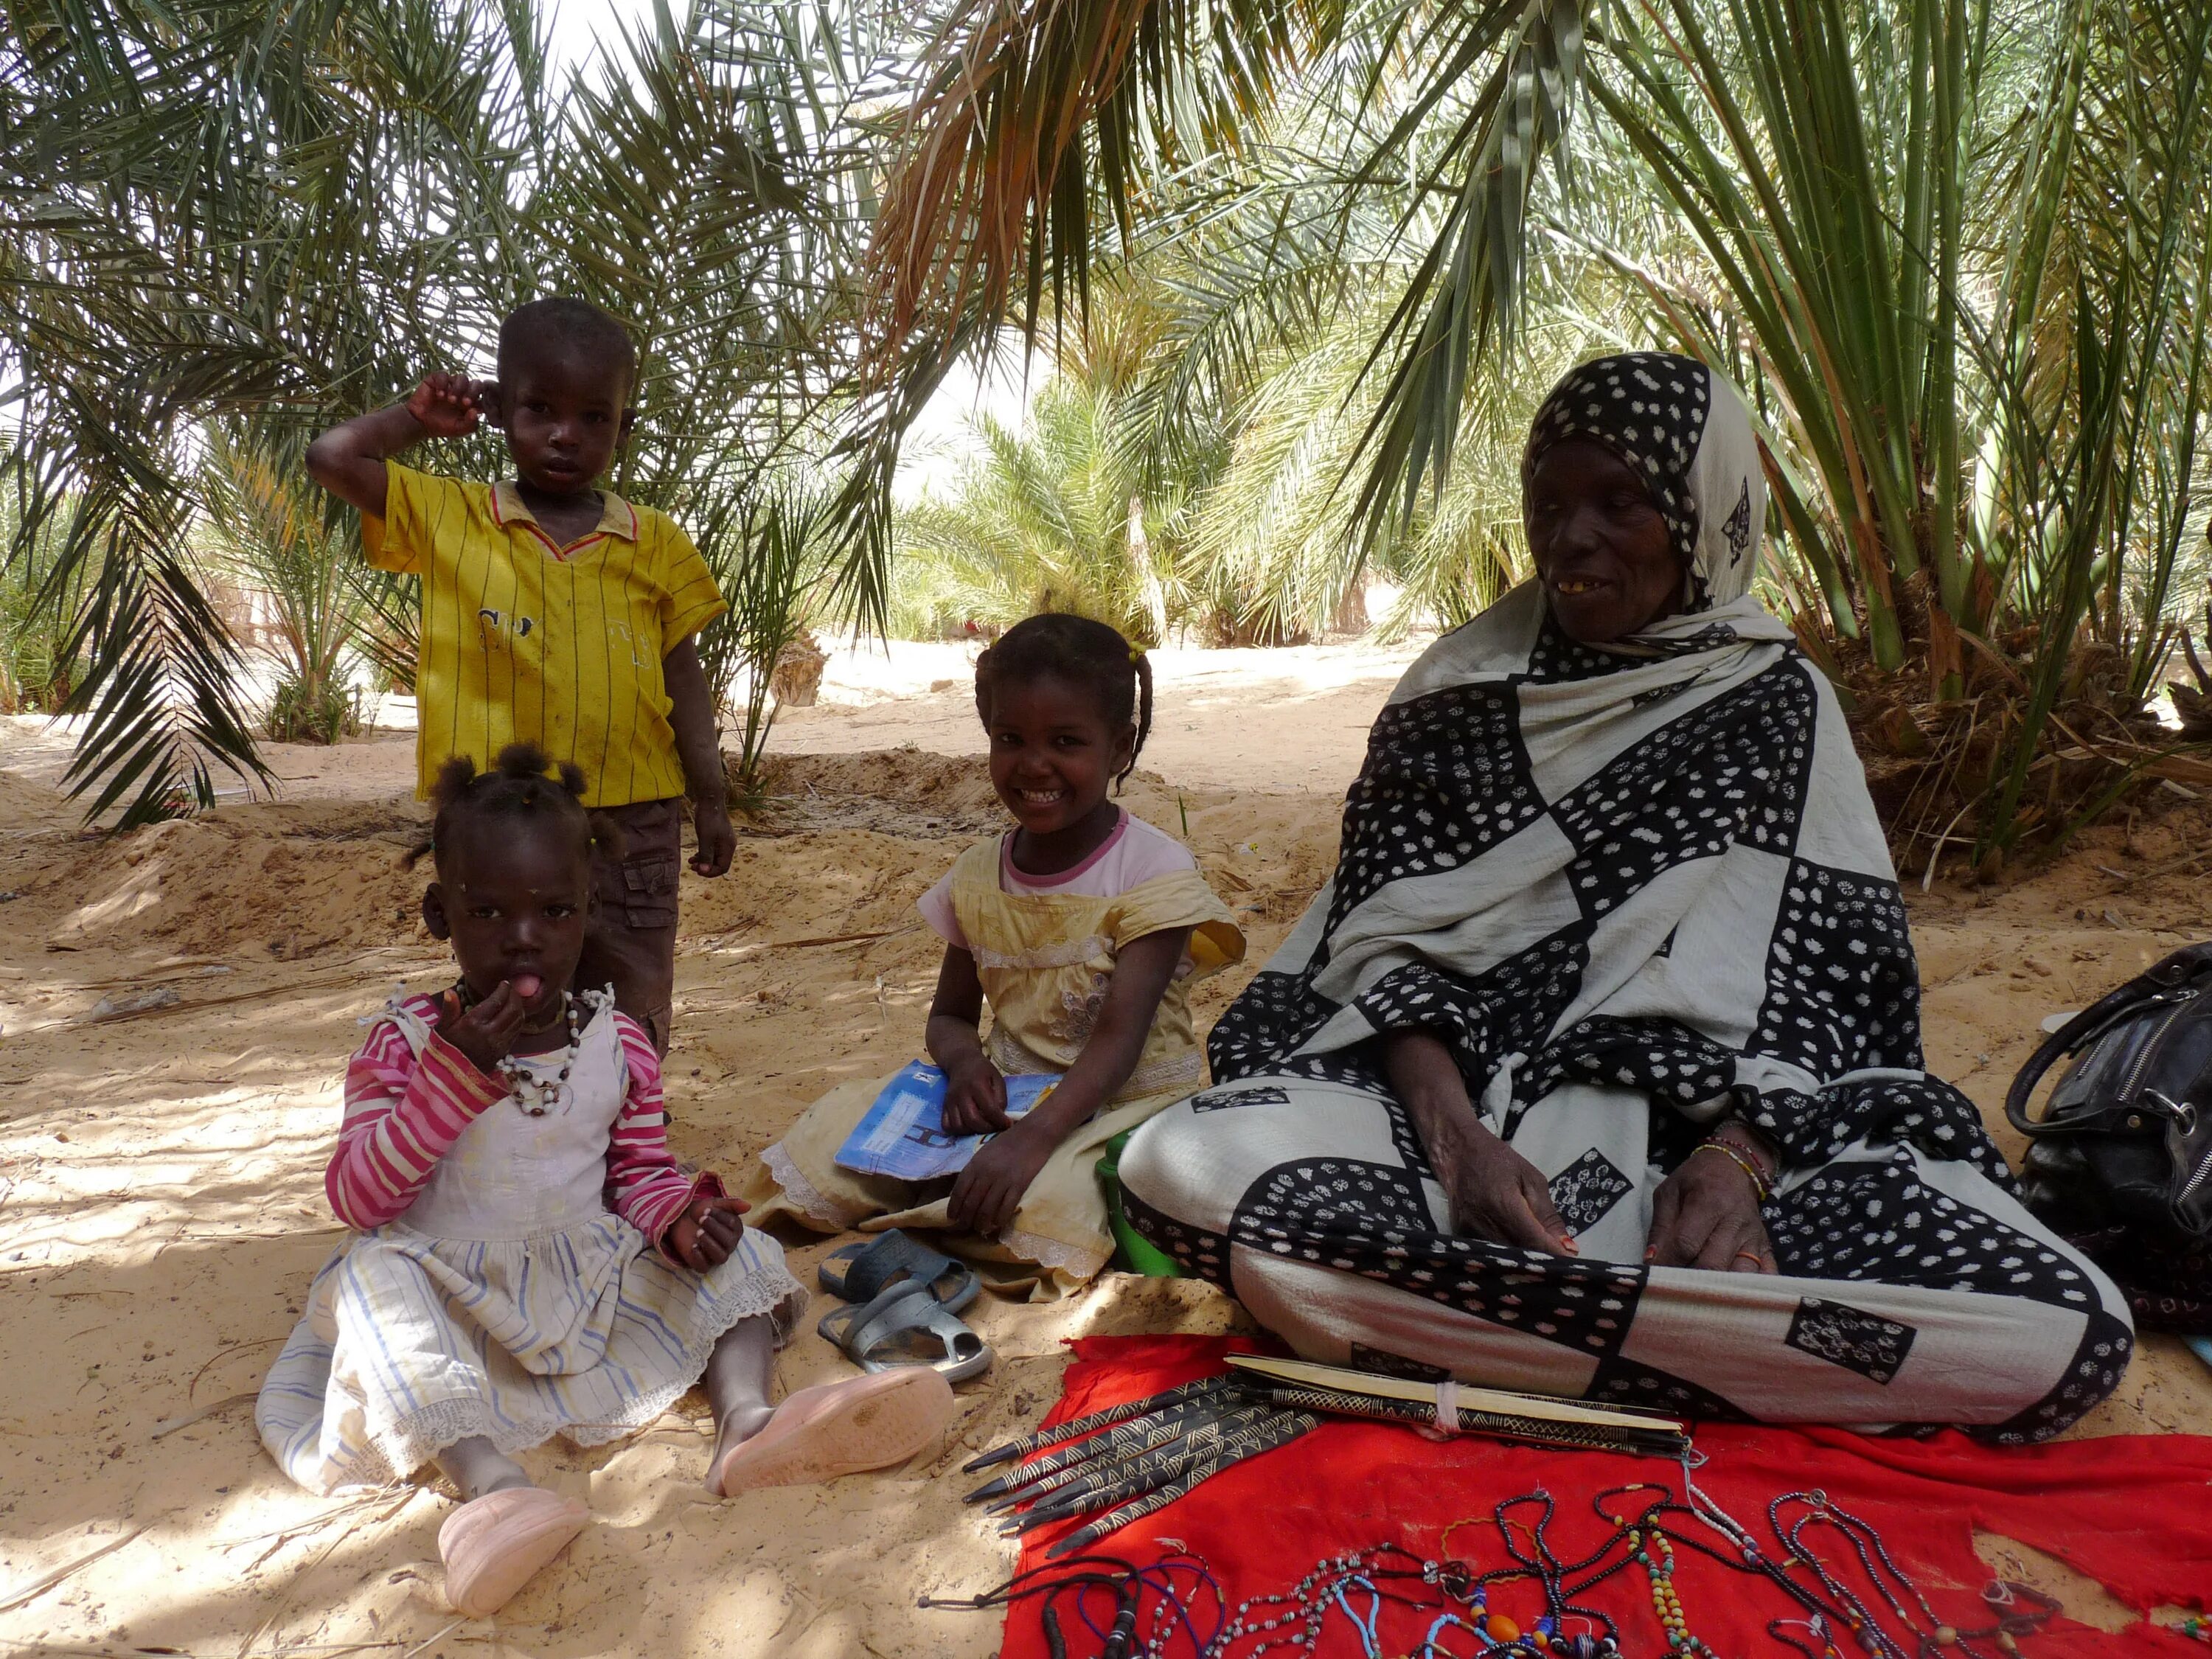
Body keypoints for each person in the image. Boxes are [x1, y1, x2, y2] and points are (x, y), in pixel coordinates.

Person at [1120, 352, 2133, 1442]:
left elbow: (1828, 990)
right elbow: (1382, 952)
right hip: (1440, 1108)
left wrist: (1736, 1161)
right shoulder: (1456, 698)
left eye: (1621, 503)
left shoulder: (1779, 703)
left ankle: (1496, 1328)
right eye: (1549, 504)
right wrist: (1459, 1145)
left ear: (1706, 518)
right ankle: (1702, 1346)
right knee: (1172, 1166)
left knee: (2061, 1325)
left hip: (1711, 1130)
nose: (1572, 539)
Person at [254, 747, 954, 1619]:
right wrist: (452, 1076)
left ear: (587, 911)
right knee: (369, 1281)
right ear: (441, 916)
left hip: (582, 1282)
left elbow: (638, 1177)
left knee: (743, 1257)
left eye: (554, 910)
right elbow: (361, 1200)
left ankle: (746, 1423)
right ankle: (494, 1489)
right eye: (488, 912)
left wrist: (679, 1222)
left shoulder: (615, 1040)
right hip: (448, 1293)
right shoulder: (401, 1043)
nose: (524, 936)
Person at [741, 615, 1245, 1295]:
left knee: (1050, 1209)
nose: (1034, 765)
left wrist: (1032, 1139)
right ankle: (947, 1205)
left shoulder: (1152, 872)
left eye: (1066, 742)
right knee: (826, 1137)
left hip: (1122, 1101)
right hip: (1007, 1093)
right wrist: (966, 1063)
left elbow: (1118, 1047)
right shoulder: (978, 874)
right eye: (1011, 740)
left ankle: (949, 1209)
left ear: (1120, 746)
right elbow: (948, 1016)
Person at [305, 296, 732, 1052]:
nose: (566, 435)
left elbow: (682, 673)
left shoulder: (655, 543)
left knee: (631, 1003)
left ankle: (624, 1139)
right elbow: (332, 458)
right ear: (500, 411)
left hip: (635, 823)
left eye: (594, 417)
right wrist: (415, 420)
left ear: (623, 428)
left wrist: (712, 794)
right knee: (514, 999)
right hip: (499, 833)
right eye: (540, 409)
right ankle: (515, 1136)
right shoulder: (454, 518)